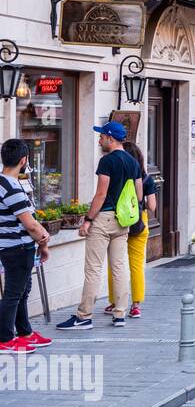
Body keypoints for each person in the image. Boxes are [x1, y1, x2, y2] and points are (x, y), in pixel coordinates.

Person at [59, 121, 142, 330]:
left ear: (111, 138)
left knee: (93, 269)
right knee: (119, 267)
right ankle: (120, 313)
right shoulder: (133, 162)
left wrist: (87, 219)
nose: (100, 139)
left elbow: (101, 194)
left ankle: (84, 316)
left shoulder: (107, 161)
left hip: (103, 218)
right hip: (123, 221)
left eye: (102, 136)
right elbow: (138, 195)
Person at [0, 139, 51, 353]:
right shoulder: (11, 188)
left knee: (21, 291)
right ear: (24, 160)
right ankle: (4, 339)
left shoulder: (4, 184)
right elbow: (30, 223)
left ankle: (25, 332)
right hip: (18, 247)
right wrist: (44, 240)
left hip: (11, 246)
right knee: (14, 293)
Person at [106, 141, 156, 320]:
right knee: (136, 265)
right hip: (138, 222)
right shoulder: (146, 179)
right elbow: (152, 205)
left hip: (117, 221)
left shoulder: (114, 175)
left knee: (115, 263)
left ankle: (114, 302)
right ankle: (136, 305)